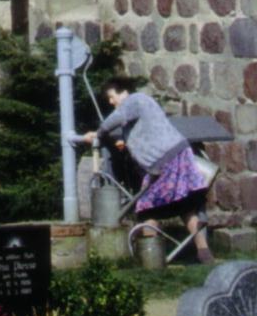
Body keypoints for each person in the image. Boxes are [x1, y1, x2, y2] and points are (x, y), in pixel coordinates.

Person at [83, 76, 212, 260]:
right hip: (175, 155)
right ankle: (204, 251)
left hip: (164, 160)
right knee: (185, 205)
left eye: (112, 97)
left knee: (146, 208)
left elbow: (115, 119)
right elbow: (143, 130)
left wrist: (99, 133)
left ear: (123, 92)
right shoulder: (141, 103)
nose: (111, 102)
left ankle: (152, 257)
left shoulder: (134, 100)